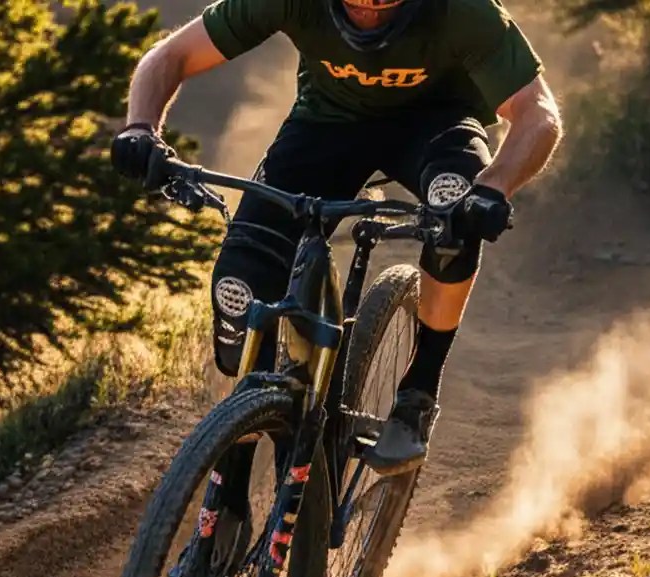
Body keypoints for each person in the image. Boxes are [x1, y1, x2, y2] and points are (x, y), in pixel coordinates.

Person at [111, 0, 562, 476]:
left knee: (456, 213)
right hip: (326, 125)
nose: (369, 12)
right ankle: (235, 466)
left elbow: (538, 112)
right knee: (239, 286)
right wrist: (141, 129)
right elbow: (171, 55)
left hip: (438, 126)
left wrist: (493, 187)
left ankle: (419, 390)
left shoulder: (461, 10)